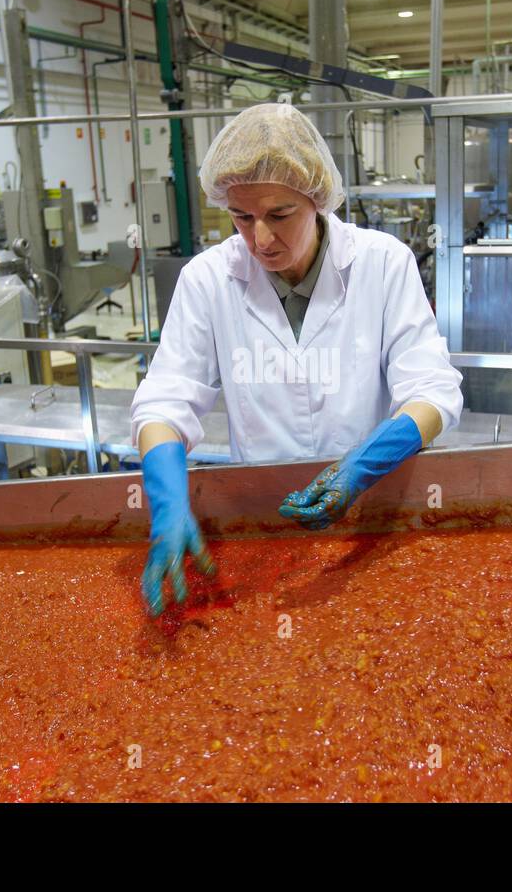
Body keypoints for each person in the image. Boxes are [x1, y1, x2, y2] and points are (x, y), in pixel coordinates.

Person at [129, 102, 463, 616]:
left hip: (369, 512)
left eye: (279, 215)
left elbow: (433, 390)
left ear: (316, 199)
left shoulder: (382, 263)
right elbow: (165, 403)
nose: (260, 238)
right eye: (242, 217)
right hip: (262, 523)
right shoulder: (207, 278)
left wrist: (363, 463)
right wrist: (169, 505)